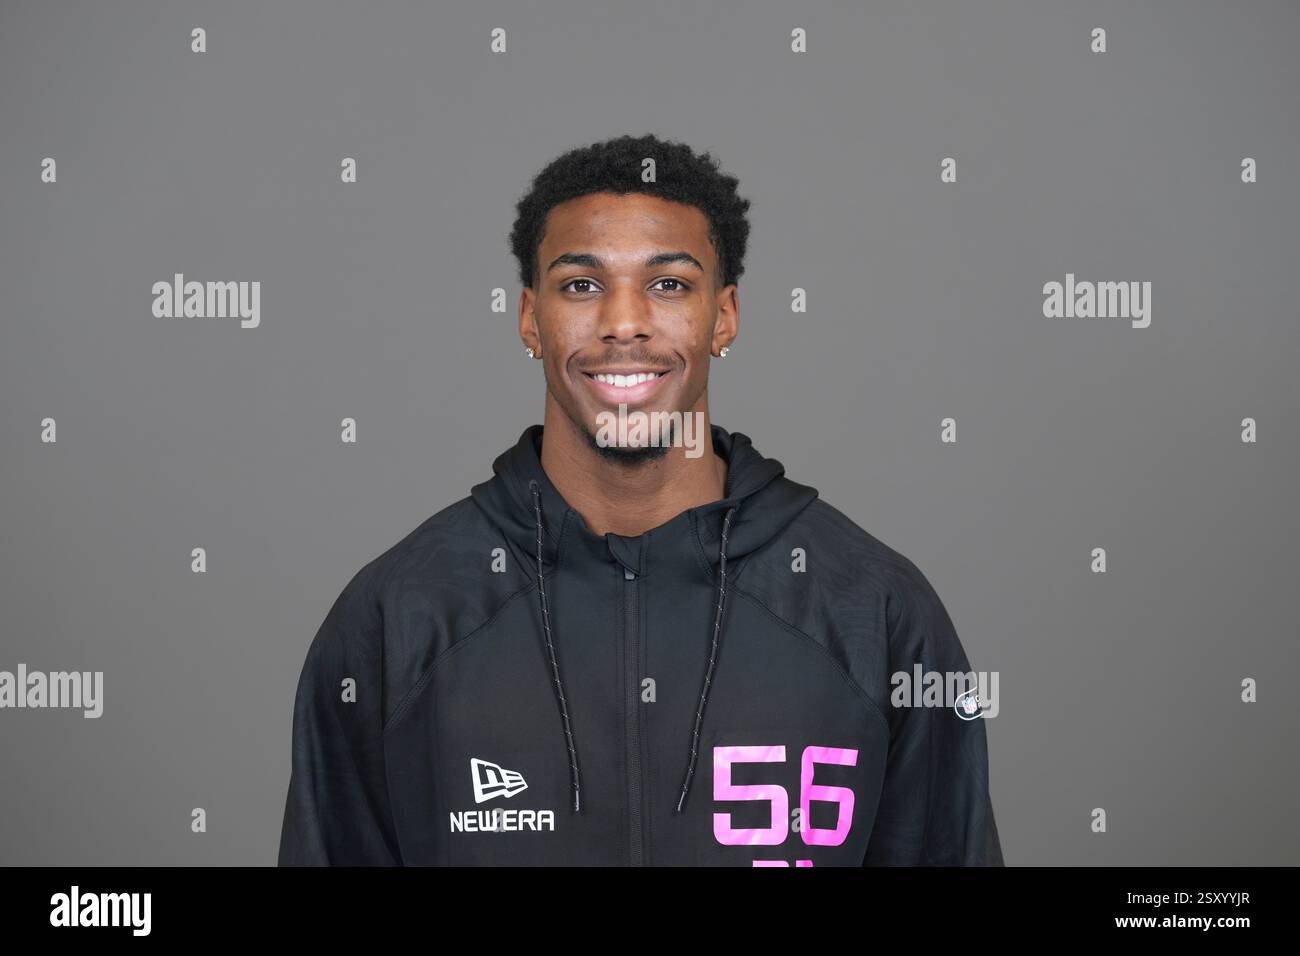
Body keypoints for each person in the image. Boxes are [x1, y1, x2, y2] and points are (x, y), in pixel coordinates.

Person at [277, 133, 1004, 866]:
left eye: (669, 285)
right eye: (582, 285)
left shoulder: (873, 611)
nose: (624, 322)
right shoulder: (399, 616)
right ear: (531, 318)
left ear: (724, 317)